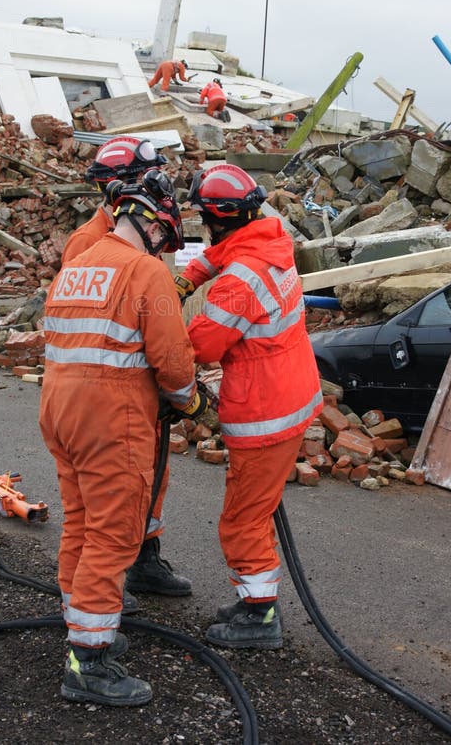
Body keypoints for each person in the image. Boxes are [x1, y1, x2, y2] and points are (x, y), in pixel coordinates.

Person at [39, 170, 209, 706]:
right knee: (113, 536)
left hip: (60, 412)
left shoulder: (77, 264)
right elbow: (171, 359)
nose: (164, 252)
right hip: (111, 420)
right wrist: (192, 401)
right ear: (155, 227)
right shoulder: (144, 271)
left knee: (81, 522)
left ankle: (80, 624)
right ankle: (88, 662)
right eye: (165, 241)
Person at [184, 165, 323, 649]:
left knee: (243, 518)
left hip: (264, 411)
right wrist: (188, 278)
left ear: (214, 220)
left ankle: (260, 614)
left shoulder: (239, 282)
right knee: (256, 509)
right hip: (292, 393)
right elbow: (223, 254)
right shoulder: (270, 241)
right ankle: (254, 602)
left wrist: (161, 337)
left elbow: (203, 345)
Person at [60, 137, 193, 601]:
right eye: (145, 178)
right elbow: (89, 329)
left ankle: (143, 559)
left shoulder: (143, 230)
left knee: (150, 476)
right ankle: (98, 591)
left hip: (138, 387)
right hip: (109, 394)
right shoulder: (89, 242)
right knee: (104, 495)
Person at [60, 136, 167, 266]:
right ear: (116, 185)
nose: (150, 189)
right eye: (142, 180)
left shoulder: (145, 228)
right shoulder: (87, 239)